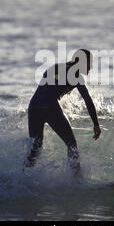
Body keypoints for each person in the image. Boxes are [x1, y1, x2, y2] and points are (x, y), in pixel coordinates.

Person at [24, 49, 101, 178]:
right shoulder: (76, 75)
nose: (91, 67)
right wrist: (96, 125)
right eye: (90, 63)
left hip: (33, 106)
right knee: (71, 143)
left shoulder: (58, 67)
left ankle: (23, 177)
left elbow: (49, 83)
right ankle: (77, 181)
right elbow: (88, 100)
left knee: (35, 148)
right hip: (49, 105)